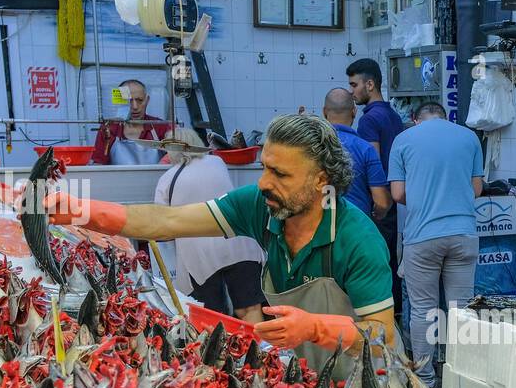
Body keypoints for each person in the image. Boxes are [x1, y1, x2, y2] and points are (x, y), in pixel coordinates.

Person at [45, 114, 395, 373]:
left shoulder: (357, 239)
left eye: (281, 175)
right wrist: (81, 210)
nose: (263, 183)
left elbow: (382, 337)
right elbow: (167, 222)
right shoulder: (262, 207)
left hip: (363, 385)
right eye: (265, 168)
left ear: (322, 181)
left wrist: (314, 327)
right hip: (306, 376)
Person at [387, 102, 484, 388]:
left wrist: (423, 199)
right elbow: (476, 188)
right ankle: (461, 378)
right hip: (463, 235)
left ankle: (426, 381)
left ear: (416, 119)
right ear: (446, 118)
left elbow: (397, 193)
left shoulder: (403, 140)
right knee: (462, 310)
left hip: (422, 237)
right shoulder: (468, 137)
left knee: (422, 311)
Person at [153, 128, 265, 323]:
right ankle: (260, 351)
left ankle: (220, 352)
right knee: (249, 308)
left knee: (211, 316)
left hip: (198, 254)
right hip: (236, 239)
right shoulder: (217, 162)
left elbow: (162, 229)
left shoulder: (167, 179)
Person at [347, 58, 405, 311]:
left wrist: (376, 202)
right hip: (395, 199)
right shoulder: (393, 115)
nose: (352, 92)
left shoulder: (368, 120)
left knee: (374, 264)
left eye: (354, 85)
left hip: (379, 202)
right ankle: (395, 314)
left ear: (370, 84)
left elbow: (372, 162)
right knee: (389, 261)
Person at [322, 88, 391, 224]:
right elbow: (382, 202)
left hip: (320, 228)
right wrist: (375, 216)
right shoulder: (366, 149)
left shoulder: (310, 146)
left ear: (324, 112)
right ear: (354, 111)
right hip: (356, 226)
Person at [90, 79, 173, 165]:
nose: (135, 106)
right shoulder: (109, 129)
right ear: (120, 102)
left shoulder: (161, 127)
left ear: (147, 100)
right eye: (128, 101)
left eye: (139, 100)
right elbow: (99, 164)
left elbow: (178, 155)